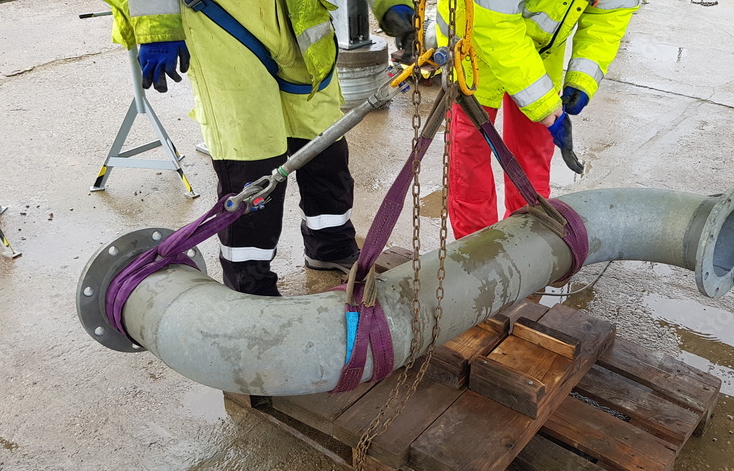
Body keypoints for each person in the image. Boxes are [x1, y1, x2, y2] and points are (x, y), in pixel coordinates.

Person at [104, 0, 414, 296]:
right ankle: (249, 282)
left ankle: (330, 245)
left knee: (324, 143)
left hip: (299, 19)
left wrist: (390, 4)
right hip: (215, 17)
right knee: (252, 158)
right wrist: (157, 29)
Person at [436, 0, 641, 238]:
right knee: (471, 155)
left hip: (540, 50)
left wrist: (583, 78)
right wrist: (542, 104)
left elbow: (609, 15)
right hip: (475, 40)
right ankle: (477, 249)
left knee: (533, 152)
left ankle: (528, 240)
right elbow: (495, 27)